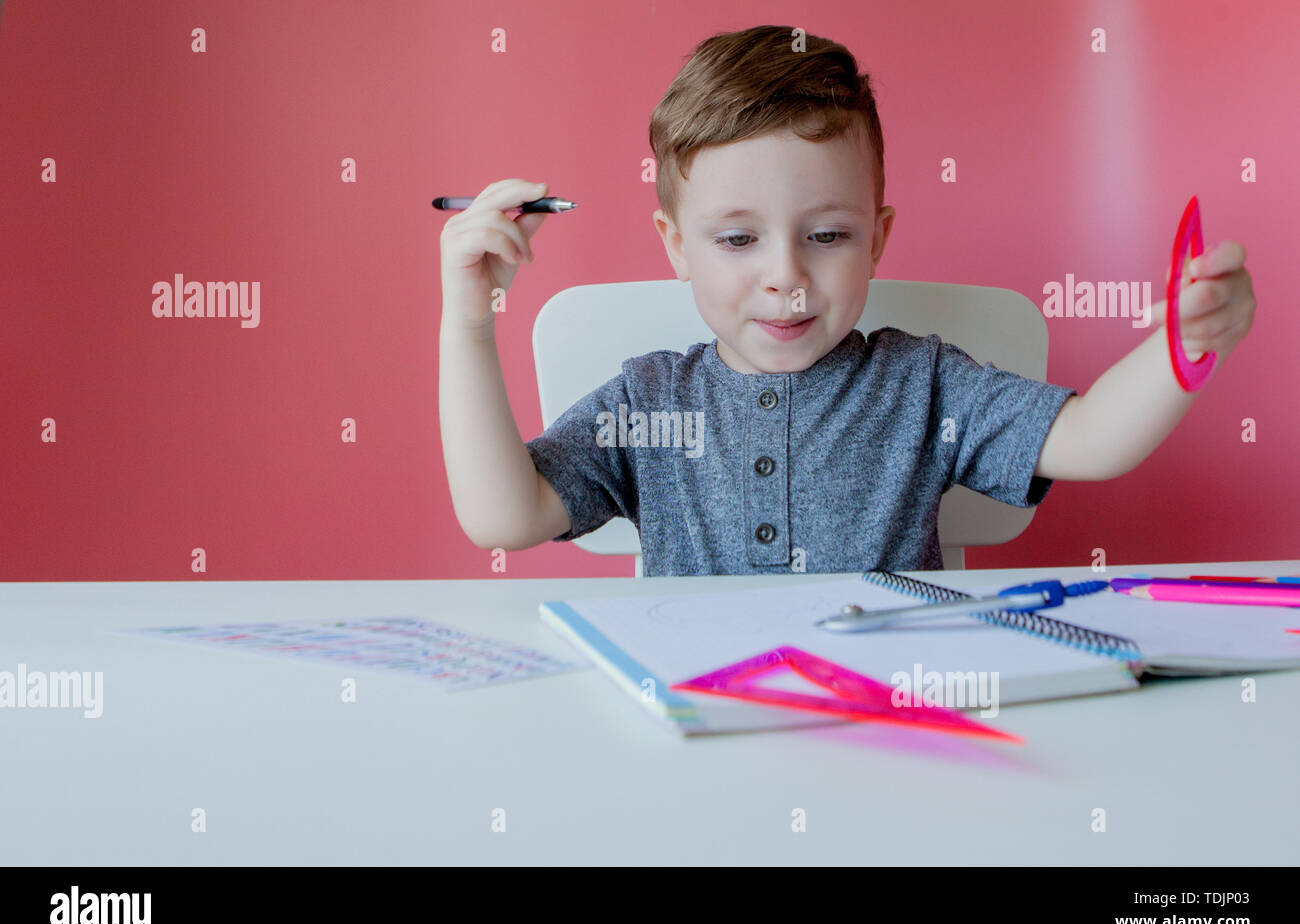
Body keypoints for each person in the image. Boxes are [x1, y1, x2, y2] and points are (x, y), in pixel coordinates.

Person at [438, 24, 1255, 575]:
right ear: (676, 245)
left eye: (827, 235)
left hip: (885, 734)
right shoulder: (648, 400)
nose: (786, 276)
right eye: (737, 240)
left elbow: (1093, 440)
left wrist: (1185, 349)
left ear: (877, 236)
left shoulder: (922, 384)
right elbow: (503, 518)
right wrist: (469, 321)